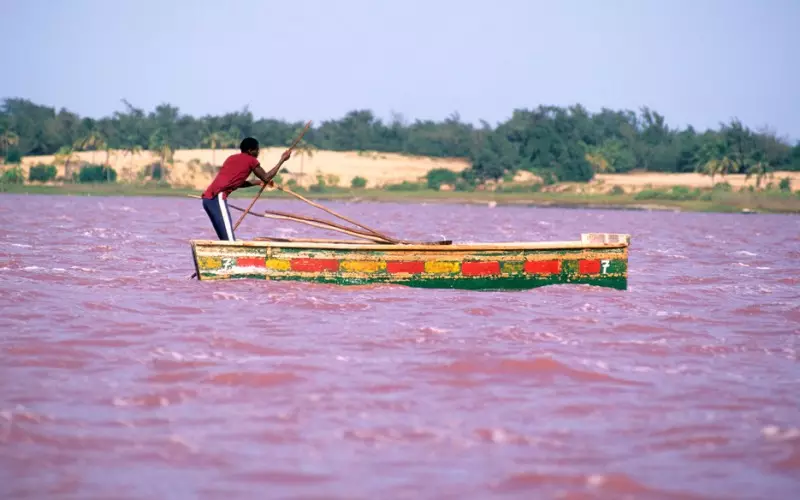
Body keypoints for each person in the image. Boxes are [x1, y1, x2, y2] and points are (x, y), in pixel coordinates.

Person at [201, 137, 290, 241]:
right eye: (257, 150)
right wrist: (282, 160)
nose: (258, 153)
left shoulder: (231, 158)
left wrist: (257, 182)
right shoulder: (251, 160)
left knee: (225, 238)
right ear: (250, 151)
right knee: (229, 240)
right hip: (217, 197)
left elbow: (237, 183)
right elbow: (266, 177)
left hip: (207, 200)